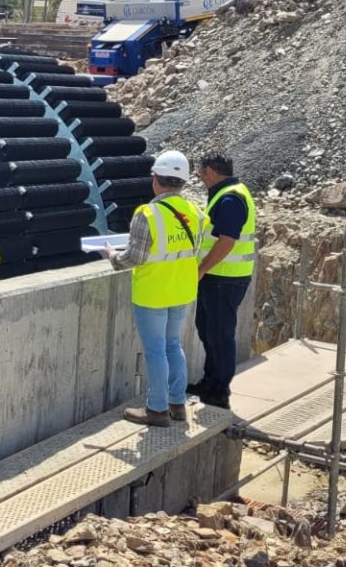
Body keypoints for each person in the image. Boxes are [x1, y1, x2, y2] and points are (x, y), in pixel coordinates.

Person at [100, 151, 206, 427]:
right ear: (182, 182)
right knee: (173, 345)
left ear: (155, 179)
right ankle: (177, 404)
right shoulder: (195, 212)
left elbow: (134, 257)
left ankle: (156, 410)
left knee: (156, 349)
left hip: (153, 293)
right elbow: (191, 250)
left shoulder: (148, 214)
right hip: (181, 290)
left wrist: (111, 255)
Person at [188, 152, 256, 410]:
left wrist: (202, 269)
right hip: (220, 277)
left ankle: (219, 392)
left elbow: (227, 240)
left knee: (220, 334)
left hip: (224, 278)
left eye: (201, 172)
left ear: (211, 172)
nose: (199, 177)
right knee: (209, 330)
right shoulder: (227, 193)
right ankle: (210, 382)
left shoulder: (230, 198)